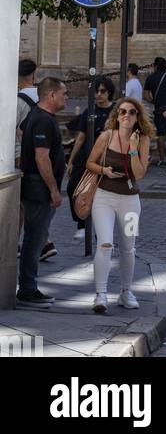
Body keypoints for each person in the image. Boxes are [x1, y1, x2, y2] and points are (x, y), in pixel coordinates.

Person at [85, 96, 153, 313]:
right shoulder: (106, 136)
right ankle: (100, 294)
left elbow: (140, 173)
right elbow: (90, 163)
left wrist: (133, 148)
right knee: (105, 243)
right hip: (104, 197)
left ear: (137, 117)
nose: (126, 115)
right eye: (122, 111)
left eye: (131, 112)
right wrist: (104, 171)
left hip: (131, 201)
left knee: (128, 248)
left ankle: (126, 291)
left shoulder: (142, 140)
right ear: (116, 115)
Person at [17, 77, 67, 307]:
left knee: (33, 238)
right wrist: (54, 190)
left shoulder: (35, 117)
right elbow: (41, 157)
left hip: (34, 184)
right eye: (64, 94)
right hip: (39, 187)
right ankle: (28, 289)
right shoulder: (44, 120)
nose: (65, 98)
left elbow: (21, 130)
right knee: (35, 239)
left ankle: (28, 286)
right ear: (51, 95)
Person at [66, 76, 116, 238]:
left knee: (101, 194)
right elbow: (81, 137)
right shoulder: (89, 110)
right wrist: (71, 160)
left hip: (105, 158)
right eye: (96, 91)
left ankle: (100, 228)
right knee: (72, 187)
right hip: (85, 155)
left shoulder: (116, 111)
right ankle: (81, 223)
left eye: (102, 91)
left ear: (109, 92)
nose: (99, 94)